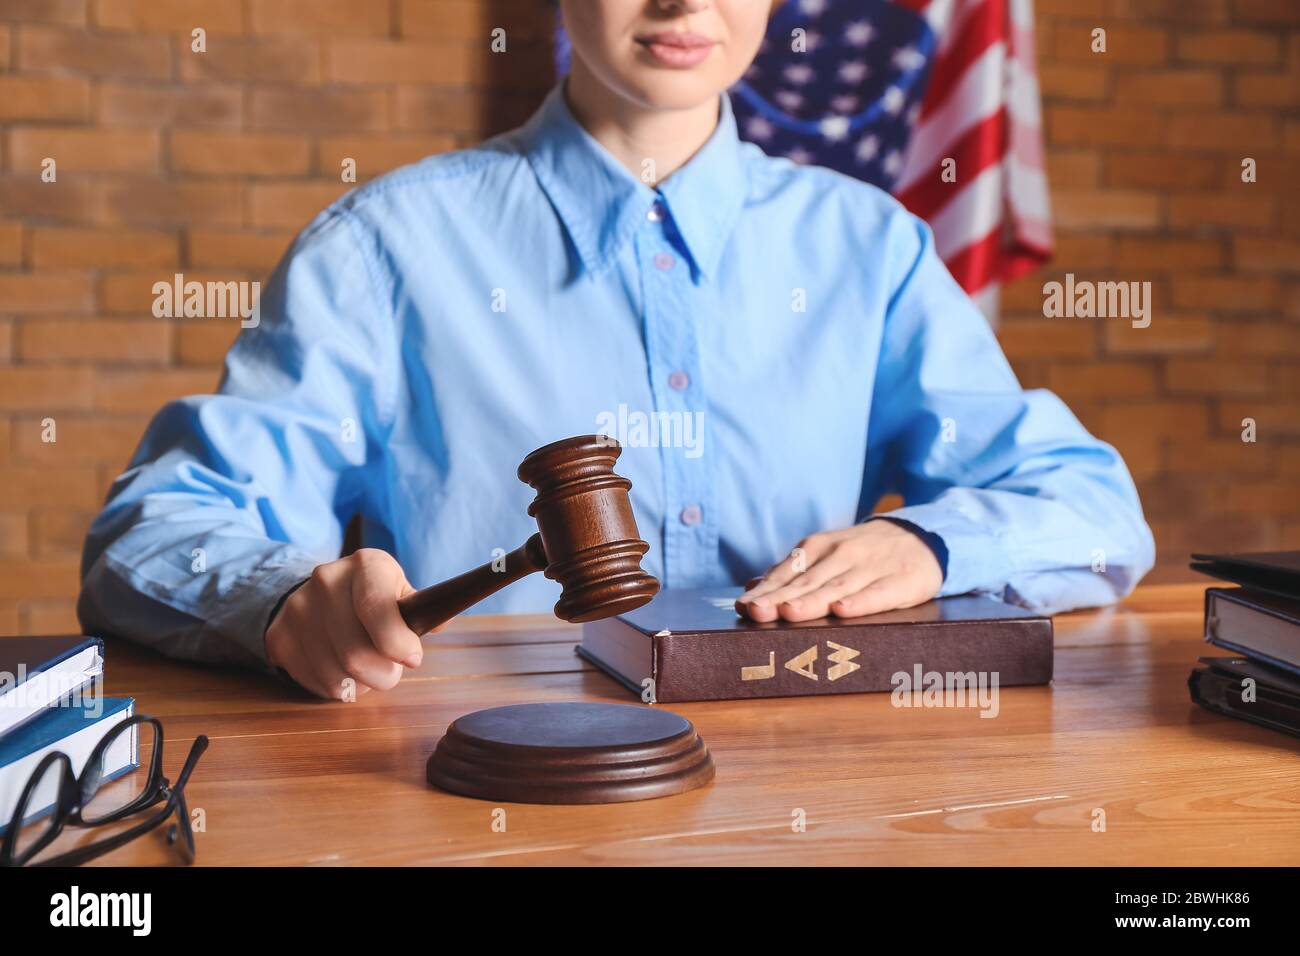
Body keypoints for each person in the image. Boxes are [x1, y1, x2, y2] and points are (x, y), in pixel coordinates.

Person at [79, 0, 1155, 700]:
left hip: (810, 803)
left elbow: (1090, 506)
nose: (686, 5)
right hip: (468, 798)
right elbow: (150, 531)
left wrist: (931, 544)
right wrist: (276, 599)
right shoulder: (383, 249)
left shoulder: (865, 249)